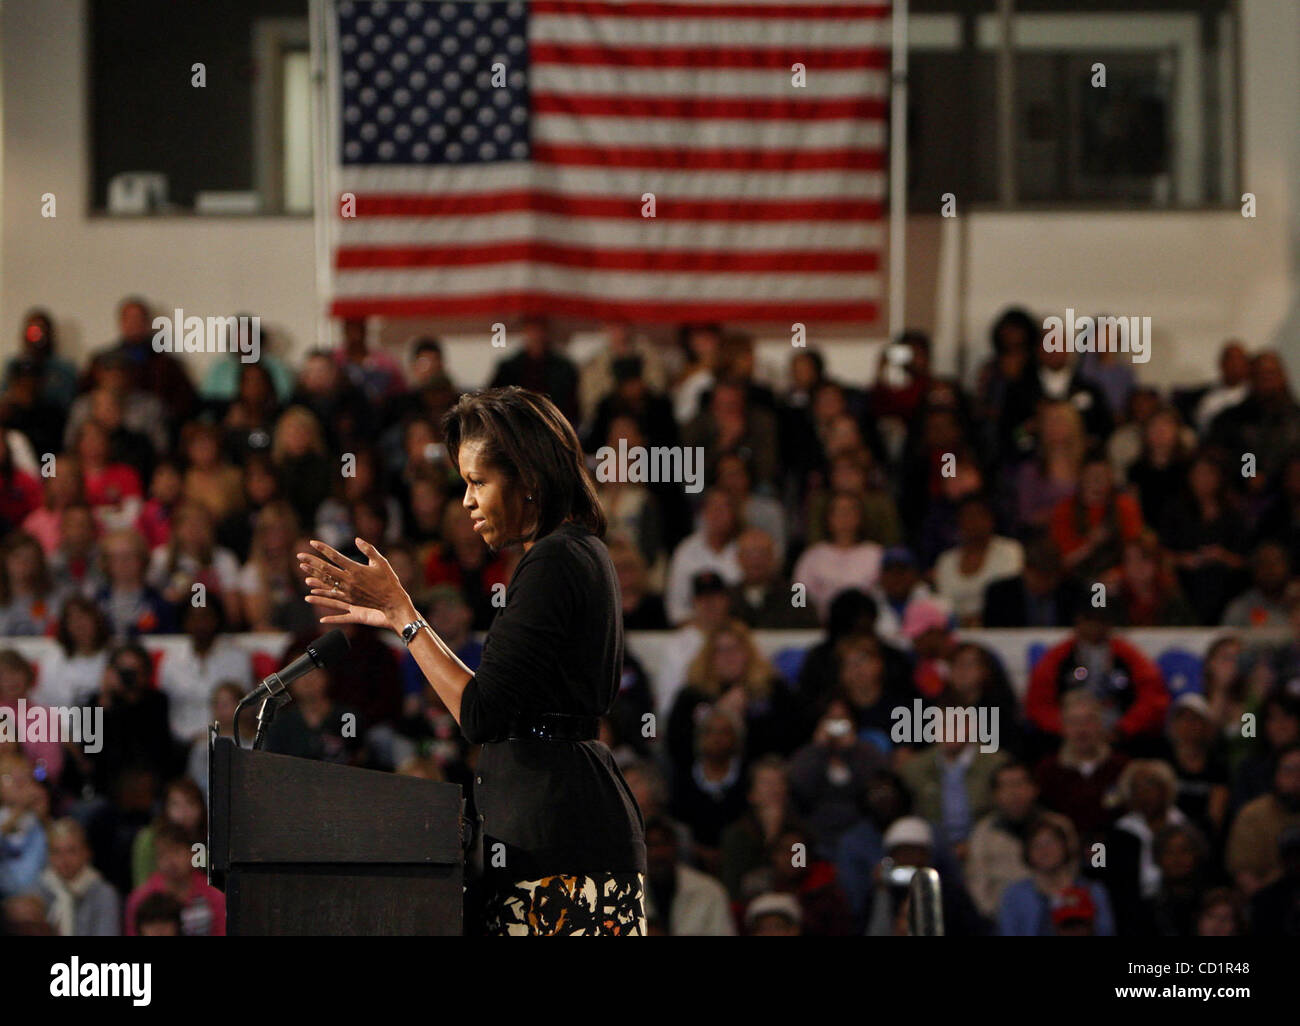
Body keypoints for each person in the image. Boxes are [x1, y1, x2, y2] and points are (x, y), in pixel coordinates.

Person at [297, 386, 645, 936]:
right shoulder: (581, 551)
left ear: (528, 480)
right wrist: (400, 618)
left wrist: (403, 612)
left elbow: (481, 714)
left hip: (556, 843)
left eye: (478, 482)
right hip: (571, 826)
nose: (466, 501)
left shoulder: (554, 559)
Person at [38, 818, 120, 936]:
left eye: (71, 851)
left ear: (86, 853)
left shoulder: (104, 894)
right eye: (56, 852)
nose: (63, 859)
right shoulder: (38, 891)